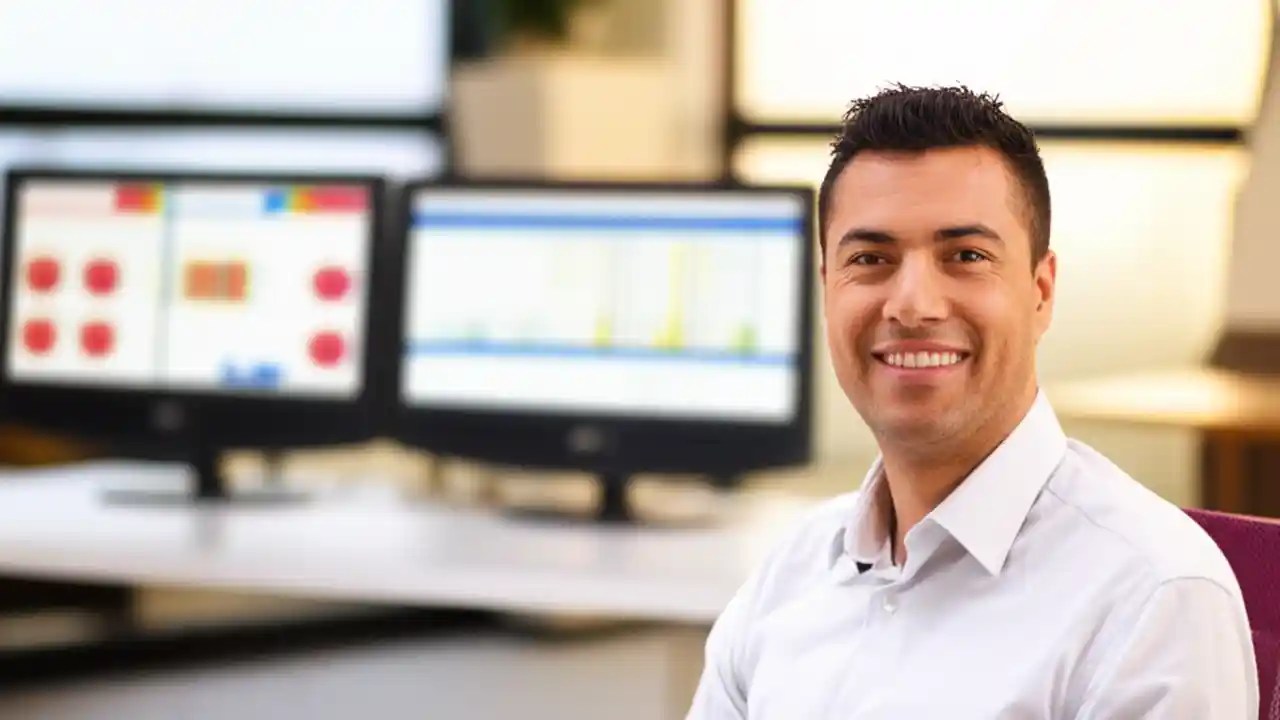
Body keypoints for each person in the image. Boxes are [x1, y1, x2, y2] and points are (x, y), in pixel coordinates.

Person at [687, 85, 1257, 719]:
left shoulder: (1153, 595)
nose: (912, 305)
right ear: (826, 288)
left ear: (1040, 292)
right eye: (870, 258)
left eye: (965, 256)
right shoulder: (791, 570)